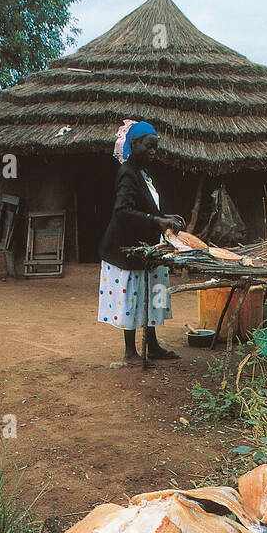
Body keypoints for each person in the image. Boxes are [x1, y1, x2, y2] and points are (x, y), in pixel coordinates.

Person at [98, 121, 186, 366]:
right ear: (133, 144)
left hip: (148, 248)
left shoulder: (143, 173)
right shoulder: (127, 173)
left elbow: (146, 206)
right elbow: (122, 211)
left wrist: (165, 217)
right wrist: (156, 220)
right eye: (148, 146)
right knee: (133, 298)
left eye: (155, 148)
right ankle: (130, 352)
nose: (153, 152)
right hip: (128, 249)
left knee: (153, 294)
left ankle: (153, 345)